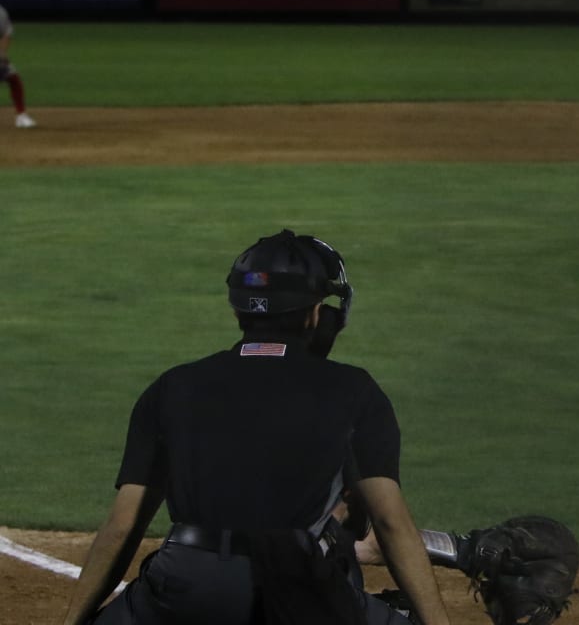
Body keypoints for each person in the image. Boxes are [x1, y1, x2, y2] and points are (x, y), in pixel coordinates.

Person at [62, 229, 454, 625]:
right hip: (296, 586)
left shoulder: (172, 386)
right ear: (315, 313)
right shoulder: (354, 389)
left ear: (237, 310)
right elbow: (390, 523)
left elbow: (122, 526)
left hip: (186, 583)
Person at [0, 4, 33, 128]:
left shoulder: (0, 12)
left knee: (13, 78)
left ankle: (21, 116)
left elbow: (6, 34)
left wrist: (2, 55)